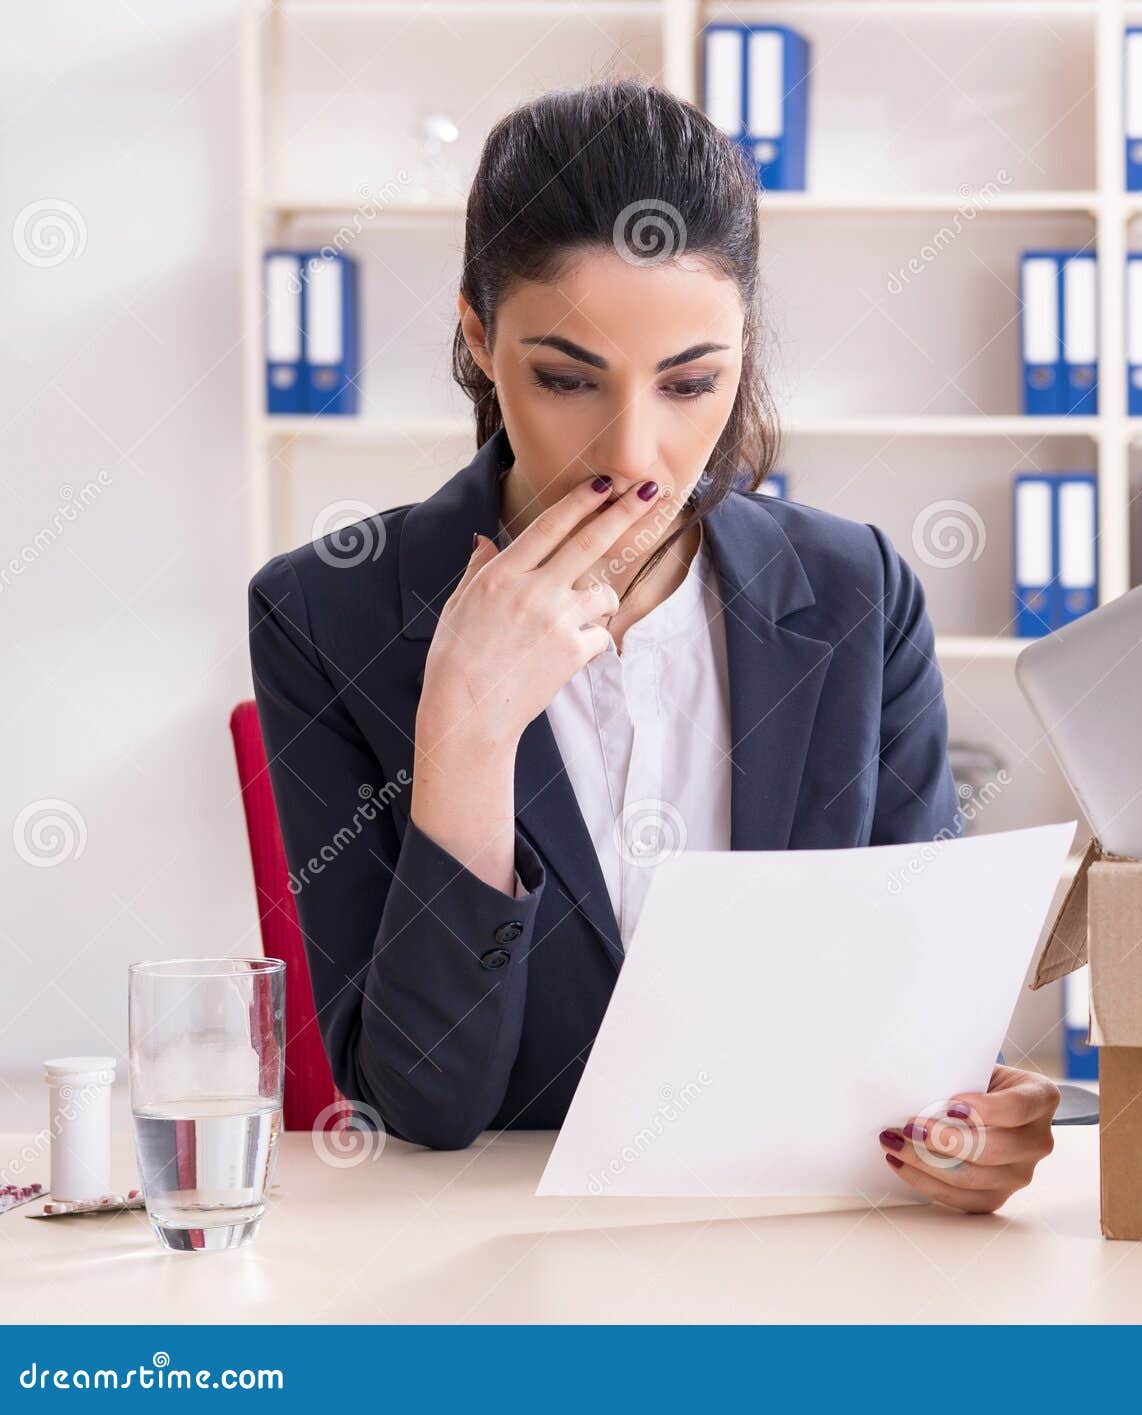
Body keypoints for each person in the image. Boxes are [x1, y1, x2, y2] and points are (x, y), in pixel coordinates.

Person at [247, 79, 1057, 1213]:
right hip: (480, 1263)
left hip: (799, 1245)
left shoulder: (858, 594)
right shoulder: (326, 616)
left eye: (691, 382)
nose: (634, 452)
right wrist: (468, 733)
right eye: (567, 378)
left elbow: (899, 1016)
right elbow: (423, 1106)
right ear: (479, 336)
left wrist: (958, 1118)